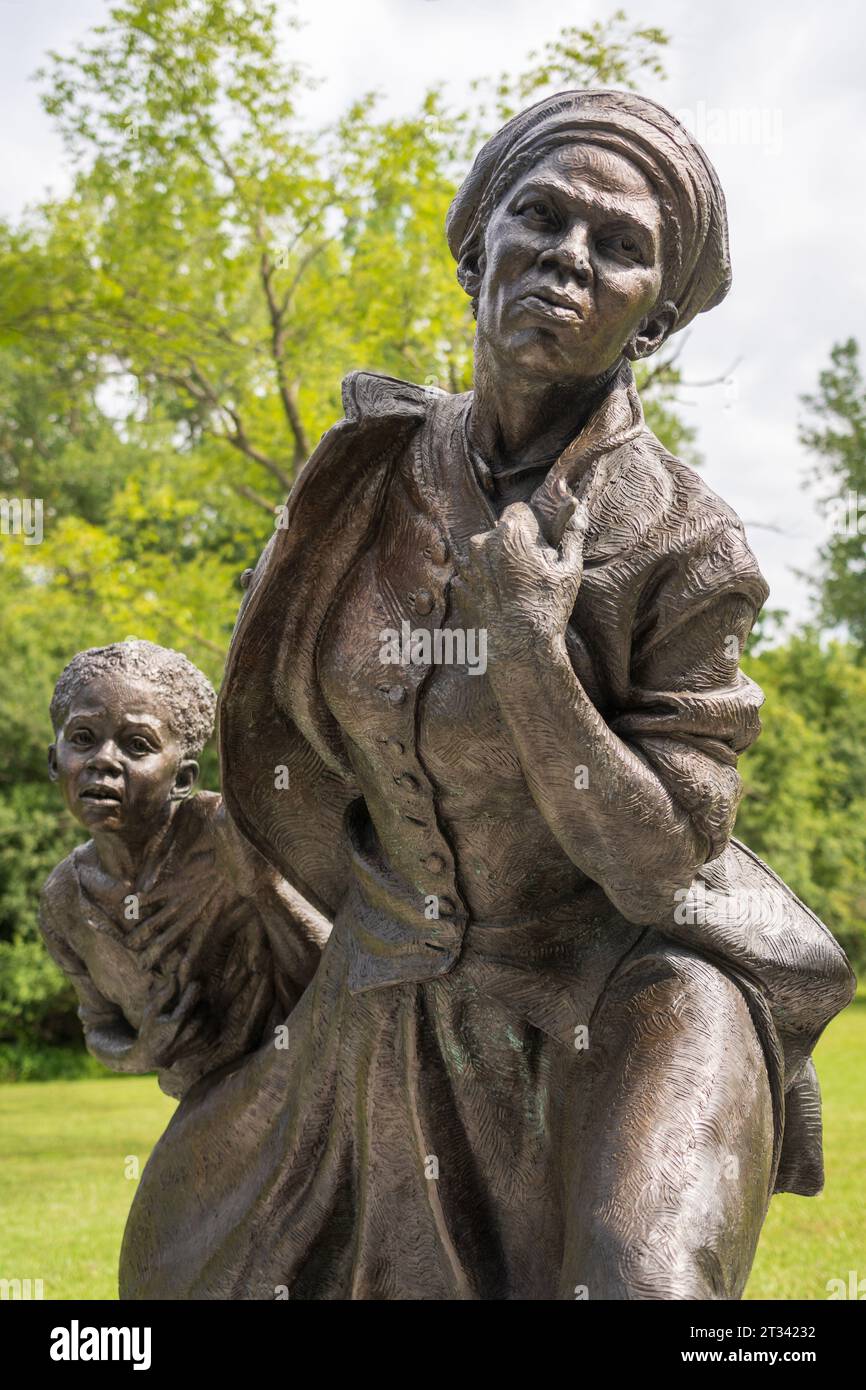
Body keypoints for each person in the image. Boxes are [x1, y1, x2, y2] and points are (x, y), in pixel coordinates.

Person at [121, 91, 855, 1300]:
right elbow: (282, 748)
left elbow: (663, 861)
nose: (571, 255)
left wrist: (526, 650)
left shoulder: (685, 542)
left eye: (618, 246)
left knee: (640, 1277)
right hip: (388, 970)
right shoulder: (356, 477)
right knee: (179, 1267)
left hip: (624, 975)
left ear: (655, 317)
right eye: (541, 216)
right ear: (479, 247)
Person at [40, 639, 329, 1099]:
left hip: (306, 1080)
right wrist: (144, 1051)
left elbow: (343, 973)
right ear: (55, 762)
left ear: (183, 779)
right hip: (200, 1098)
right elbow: (98, 1027)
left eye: (137, 745)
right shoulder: (63, 901)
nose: (103, 761)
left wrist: (267, 891)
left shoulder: (235, 834)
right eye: (82, 739)